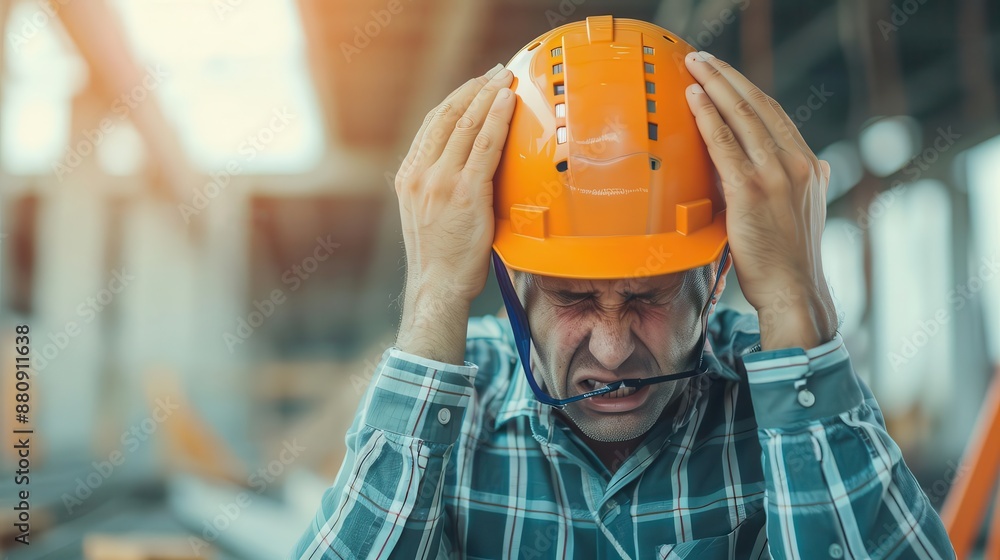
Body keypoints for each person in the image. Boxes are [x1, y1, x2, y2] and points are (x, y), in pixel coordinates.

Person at [291, 16, 955, 559]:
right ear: (511, 279)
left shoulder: (780, 402)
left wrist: (792, 299)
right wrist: (434, 295)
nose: (611, 351)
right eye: (572, 296)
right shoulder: (459, 416)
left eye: (648, 296)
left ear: (718, 274)